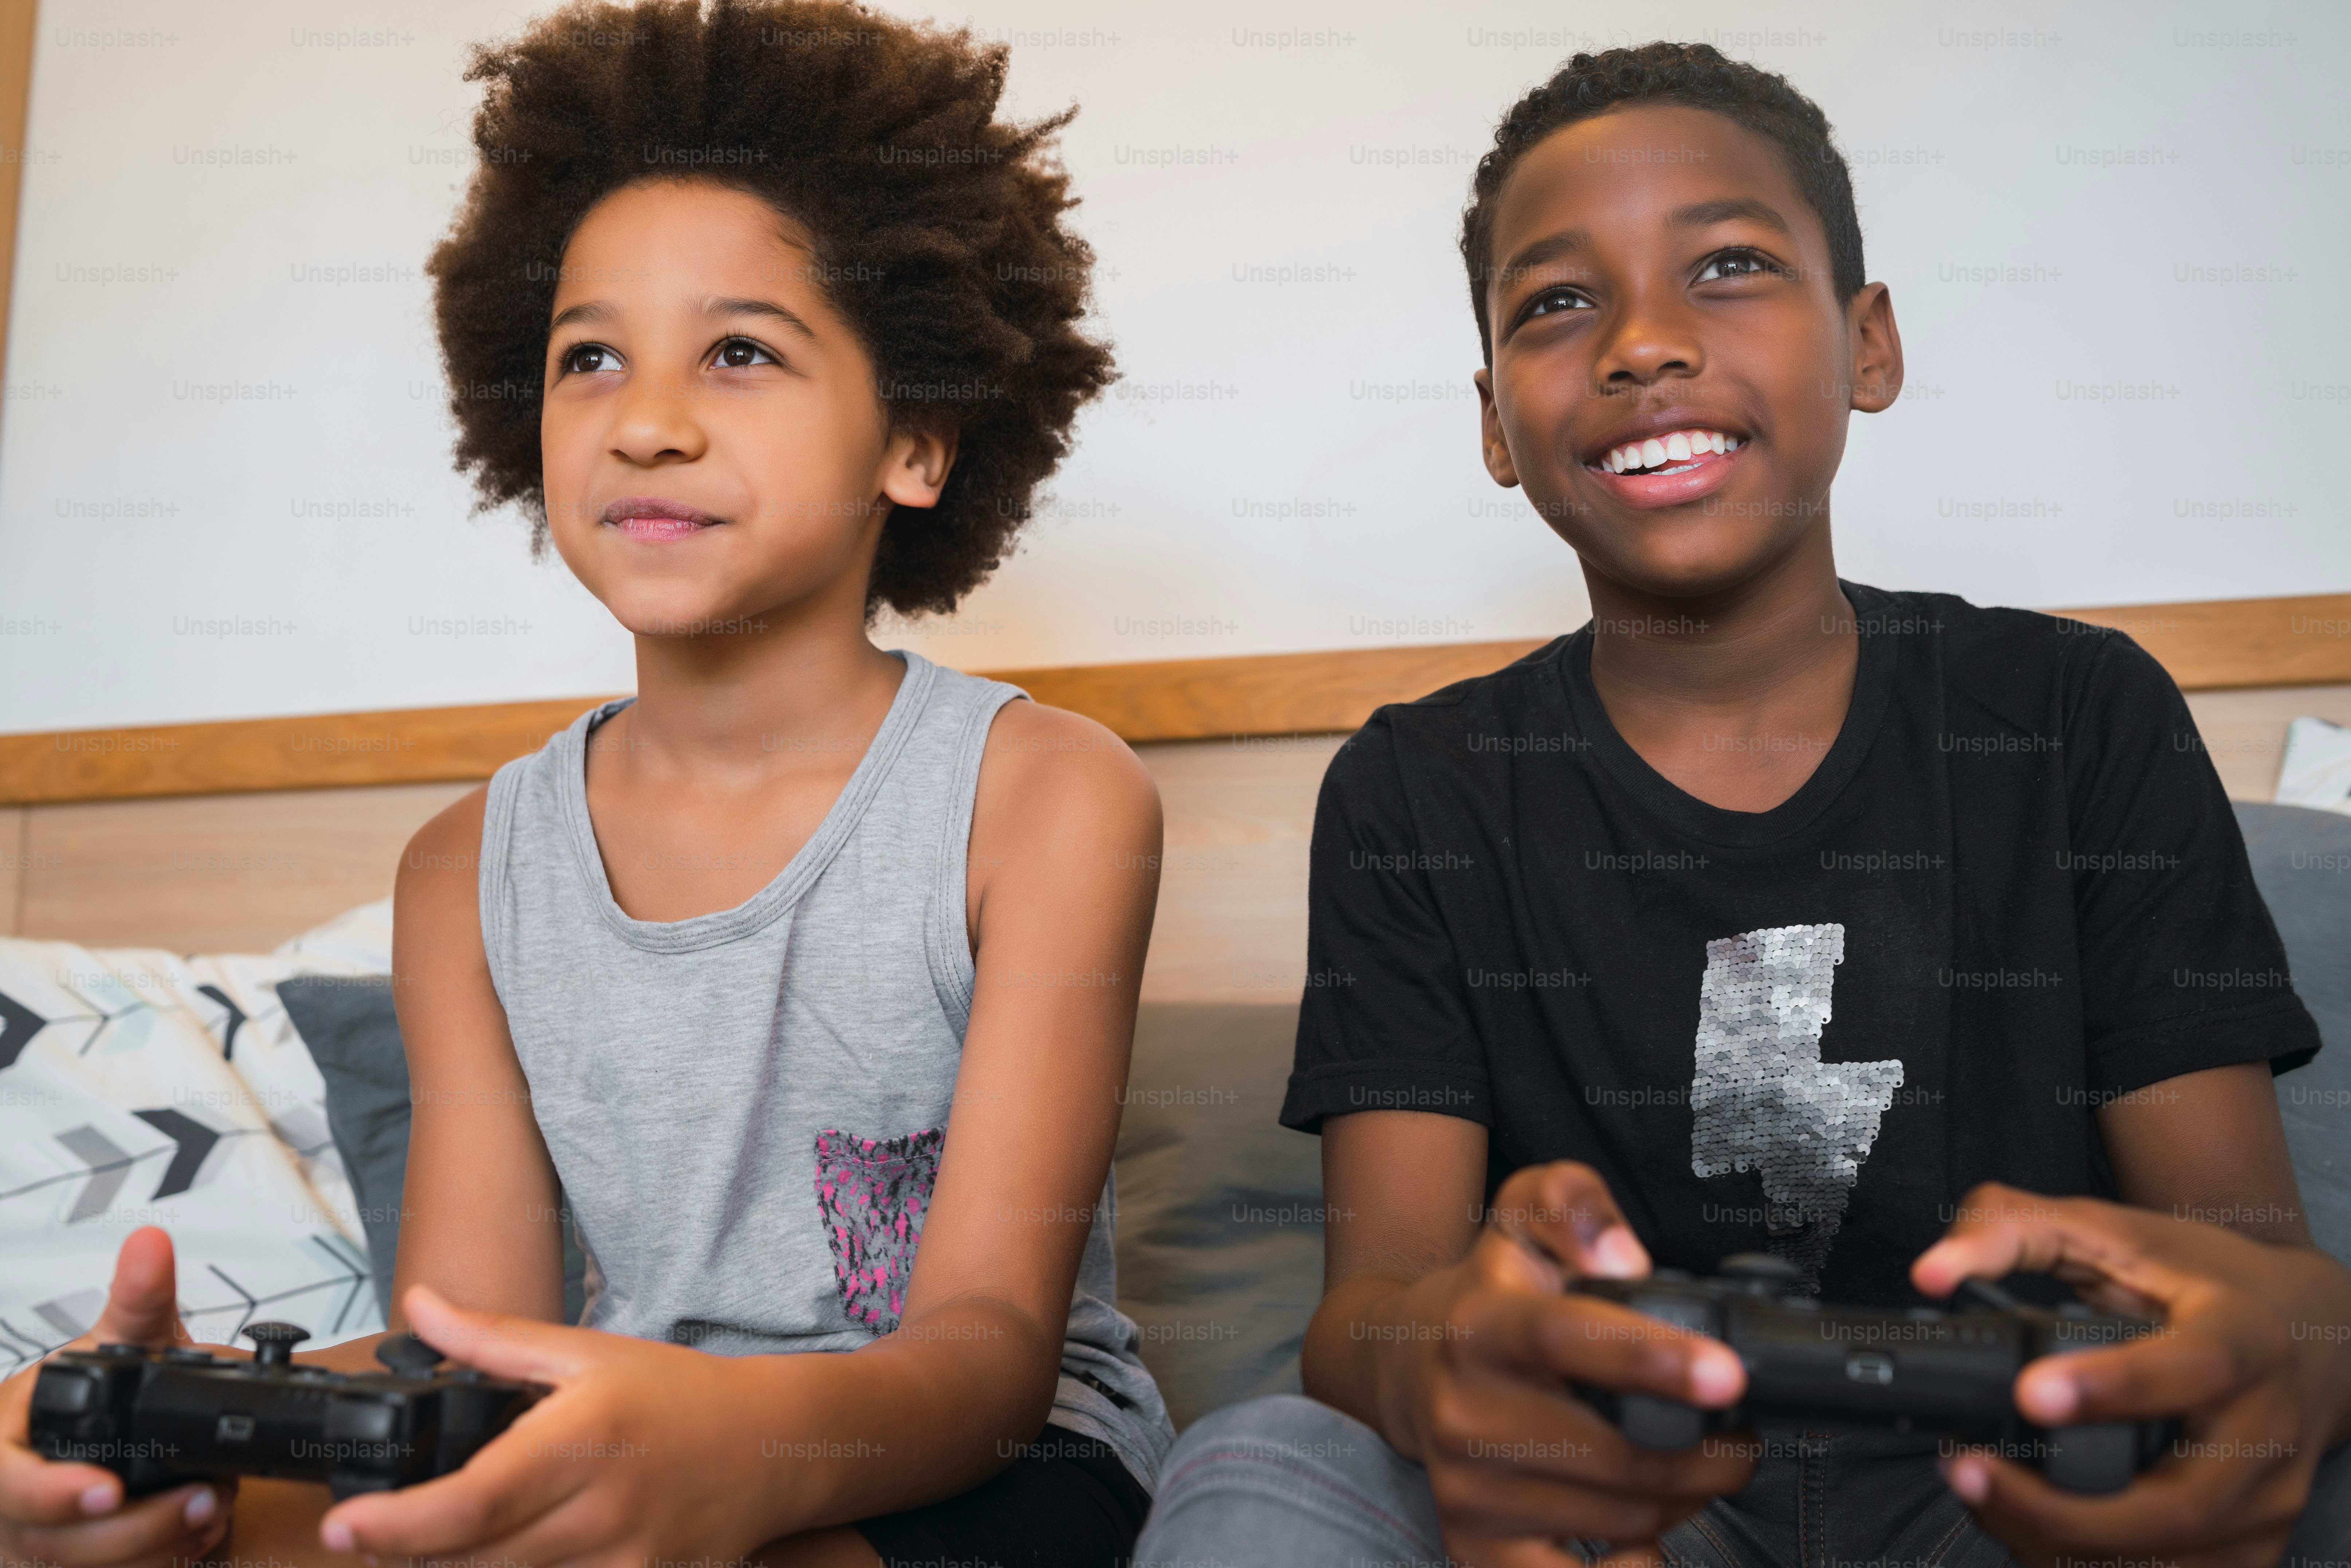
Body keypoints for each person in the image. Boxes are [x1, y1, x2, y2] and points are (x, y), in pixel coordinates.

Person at [1134, 40, 2349, 1568]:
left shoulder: (2075, 712)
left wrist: (2271, 1363)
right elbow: (1371, 1317)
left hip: (2022, 1482)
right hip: (1617, 1491)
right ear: (1497, 424)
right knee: (1261, 1463)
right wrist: (1446, 1361)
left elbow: (2264, 1282)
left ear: (1868, 345)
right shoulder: (1414, 786)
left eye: (1727, 266)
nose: (1643, 342)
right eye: (1557, 302)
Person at [0, 4, 1170, 1567]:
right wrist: (182, 1422)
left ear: (916, 441)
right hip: (606, 1432)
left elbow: (989, 1355)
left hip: (992, 1465)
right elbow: (467, 1344)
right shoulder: (463, 869)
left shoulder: (1046, 799)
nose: (647, 422)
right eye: (590, 357)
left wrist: (716, 1455)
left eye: (740, 352)